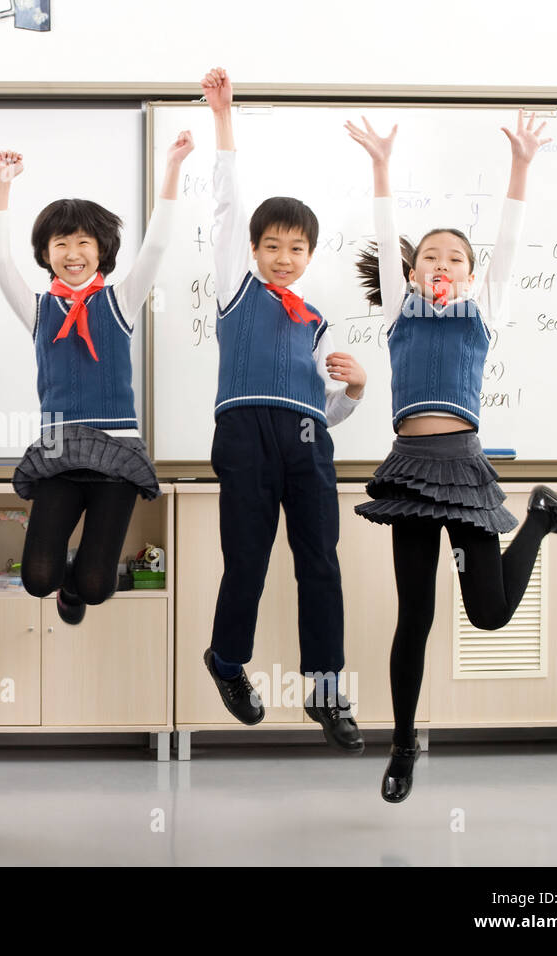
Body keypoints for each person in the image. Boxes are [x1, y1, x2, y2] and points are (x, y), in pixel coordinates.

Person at [347, 111, 557, 802]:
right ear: (412, 269)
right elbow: (382, 219)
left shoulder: (485, 309)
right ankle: (402, 749)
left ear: (470, 273)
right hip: (407, 474)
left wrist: (522, 165)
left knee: (488, 613)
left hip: (463, 471)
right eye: (431, 256)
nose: (443, 265)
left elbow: (510, 240)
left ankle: (542, 516)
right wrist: (379, 165)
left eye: (455, 258)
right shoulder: (399, 311)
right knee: (415, 617)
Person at [201, 66, 367, 752]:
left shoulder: (318, 319)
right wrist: (223, 121)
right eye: (271, 246)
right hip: (245, 432)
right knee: (247, 558)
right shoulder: (235, 290)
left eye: (295, 249)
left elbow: (328, 412)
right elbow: (224, 204)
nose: (282, 257)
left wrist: (354, 390)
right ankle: (227, 661)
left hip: (306, 438)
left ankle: (326, 695)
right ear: (253, 249)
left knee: (319, 563)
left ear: (308, 254)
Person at [0, 130, 193, 625]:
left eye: (84, 241)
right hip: (60, 452)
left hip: (116, 454)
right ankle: (60, 586)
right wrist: (2, 186)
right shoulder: (39, 310)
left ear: (102, 251)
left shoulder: (119, 301)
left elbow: (159, 243)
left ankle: (77, 591)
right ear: (46, 253)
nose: (73, 251)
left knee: (98, 588)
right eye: (62, 242)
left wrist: (172, 166)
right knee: (37, 577)